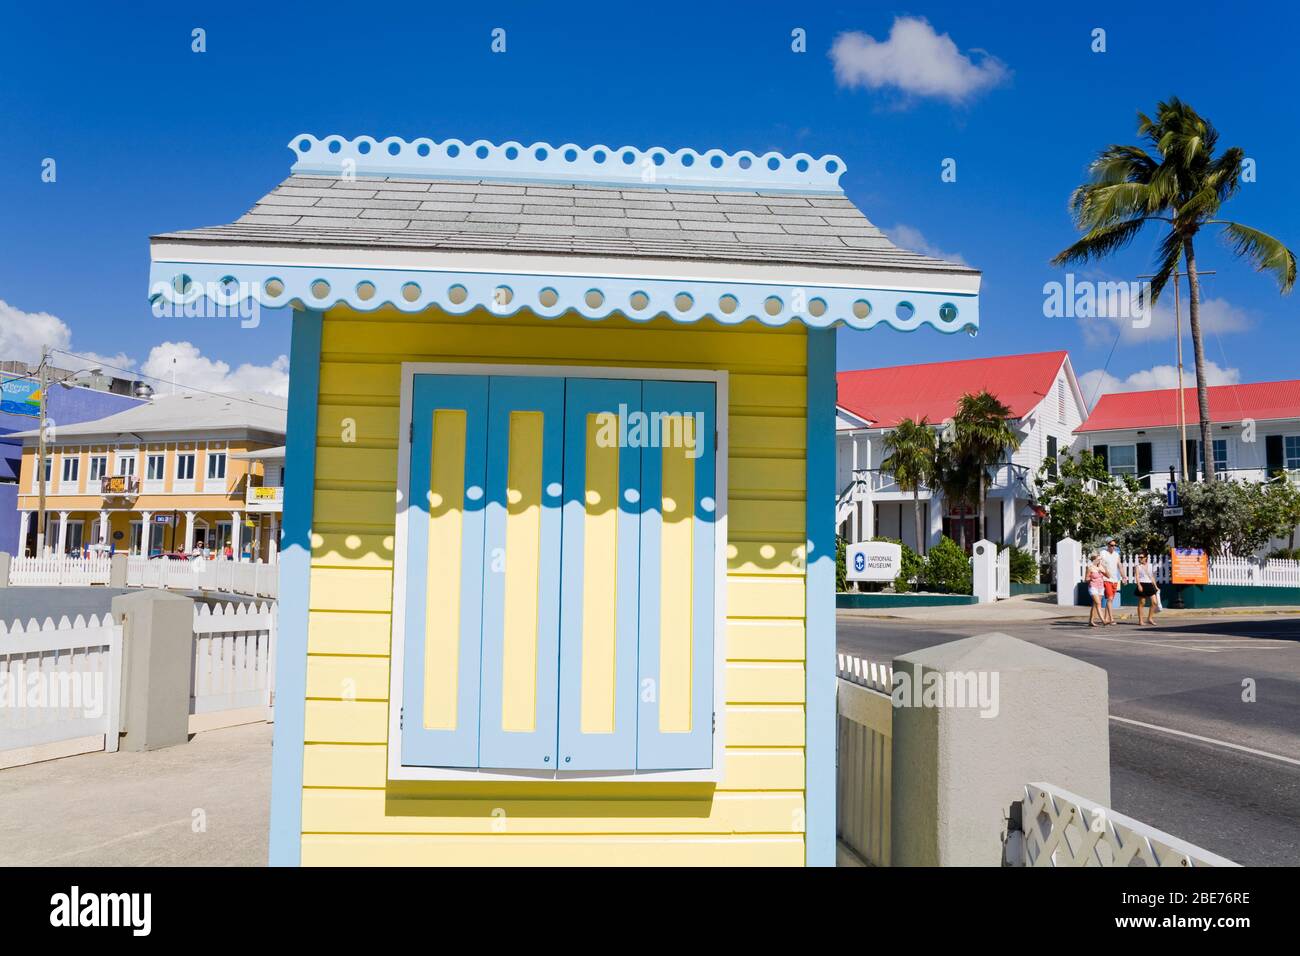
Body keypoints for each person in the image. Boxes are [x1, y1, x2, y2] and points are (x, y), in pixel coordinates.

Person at [1099, 538, 1124, 625]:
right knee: (1109, 598)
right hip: (1106, 579)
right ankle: (1111, 619)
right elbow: (1101, 564)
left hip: (1115, 579)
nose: (1113, 547)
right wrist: (1104, 573)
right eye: (1112, 545)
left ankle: (1106, 619)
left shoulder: (1116, 554)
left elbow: (1119, 565)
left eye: (1115, 545)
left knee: (1110, 600)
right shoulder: (1103, 553)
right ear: (1108, 545)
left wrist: (1124, 576)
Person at [1135, 553, 1160, 625]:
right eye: (1139, 557)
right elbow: (1137, 576)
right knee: (1142, 603)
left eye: (1141, 557)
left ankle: (1150, 618)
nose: (1140, 558)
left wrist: (1155, 586)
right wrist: (1139, 585)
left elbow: (1151, 576)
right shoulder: (1138, 567)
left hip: (1149, 584)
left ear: (1146, 558)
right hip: (1142, 584)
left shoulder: (1150, 566)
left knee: (1154, 602)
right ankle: (1141, 621)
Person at [1086, 553, 1107, 627]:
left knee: (1095, 604)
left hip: (1100, 587)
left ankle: (1091, 621)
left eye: (1100, 559)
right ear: (1094, 560)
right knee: (1098, 603)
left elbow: (1108, 575)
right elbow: (1086, 579)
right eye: (1098, 559)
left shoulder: (1101, 567)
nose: (1100, 560)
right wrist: (1091, 579)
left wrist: (1103, 569)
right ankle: (1103, 620)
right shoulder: (1090, 568)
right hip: (1093, 587)